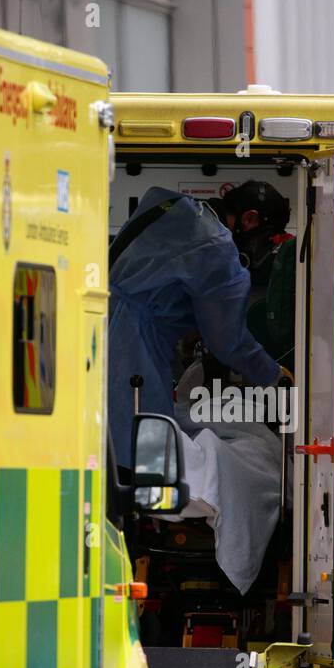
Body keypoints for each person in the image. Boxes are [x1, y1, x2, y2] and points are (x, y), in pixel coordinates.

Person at [108, 181, 290, 469]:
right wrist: (274, 375)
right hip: (133, 345)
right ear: (250, 219)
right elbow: (228, 341)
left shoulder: (170, 207)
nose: (261, 248)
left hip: (99, 327)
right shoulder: (216, 246)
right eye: (266, 238)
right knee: (144, 455)